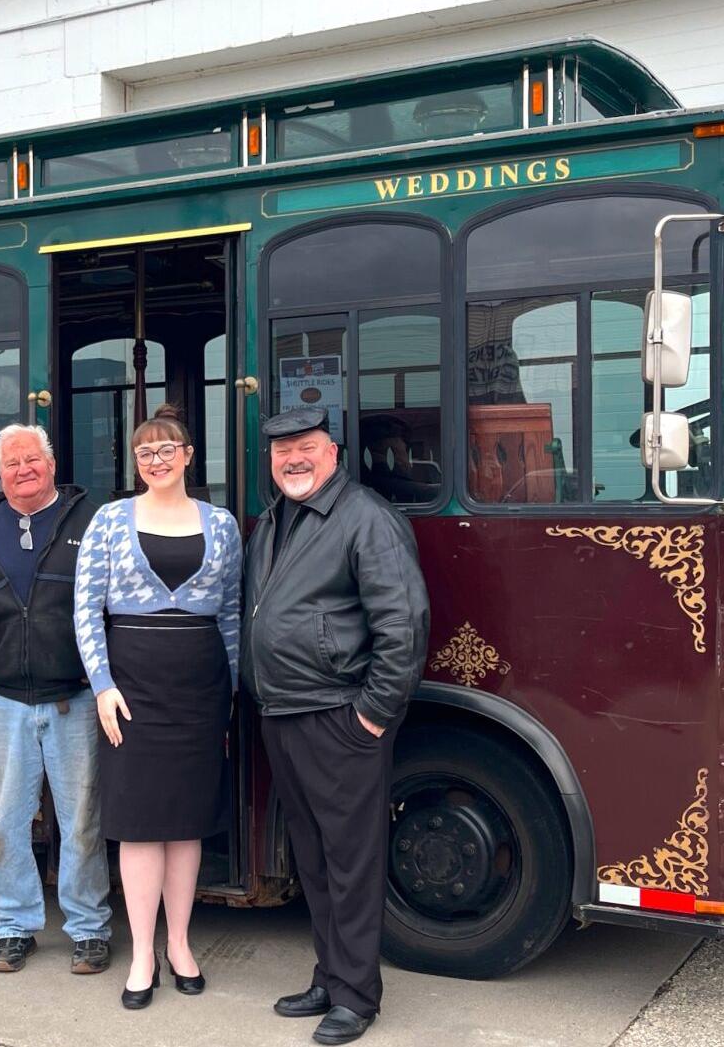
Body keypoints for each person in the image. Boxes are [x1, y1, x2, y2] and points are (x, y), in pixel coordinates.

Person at [241, 406, 429, 1046]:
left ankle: (355, 996)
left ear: (333, 453)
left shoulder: (366, 518)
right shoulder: (275, 518)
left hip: (338, 715)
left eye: (306, 447)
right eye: (281, 450)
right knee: (315, 859)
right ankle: (330, 975)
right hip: (284, 712)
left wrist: (372, 714)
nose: (292, 459)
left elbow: (402, 624)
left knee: (350, 861)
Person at [72, 404, 242, 1010]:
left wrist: (230, 690)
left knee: (186, 822)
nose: (157, 459)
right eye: (145, 452)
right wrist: (102, 685)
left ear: (189, 456)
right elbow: (85, 607)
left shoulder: (222, 524)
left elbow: (230, 612)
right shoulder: (110, 519)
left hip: (200, 687)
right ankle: (142, 952)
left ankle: (180, 944)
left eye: (168, 449)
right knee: (140, 822)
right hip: (131, 686)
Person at [0, 424, 113, 975]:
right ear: (0, 473)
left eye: (32, 459)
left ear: (51, 464)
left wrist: (102, 677)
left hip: (74, 700)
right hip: (2, 701)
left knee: (81, 820)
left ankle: (89, 929)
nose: (23, 470)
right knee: (6, 821)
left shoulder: (92, 521)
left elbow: (116, 606)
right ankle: (14, 927)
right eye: (11, 463)